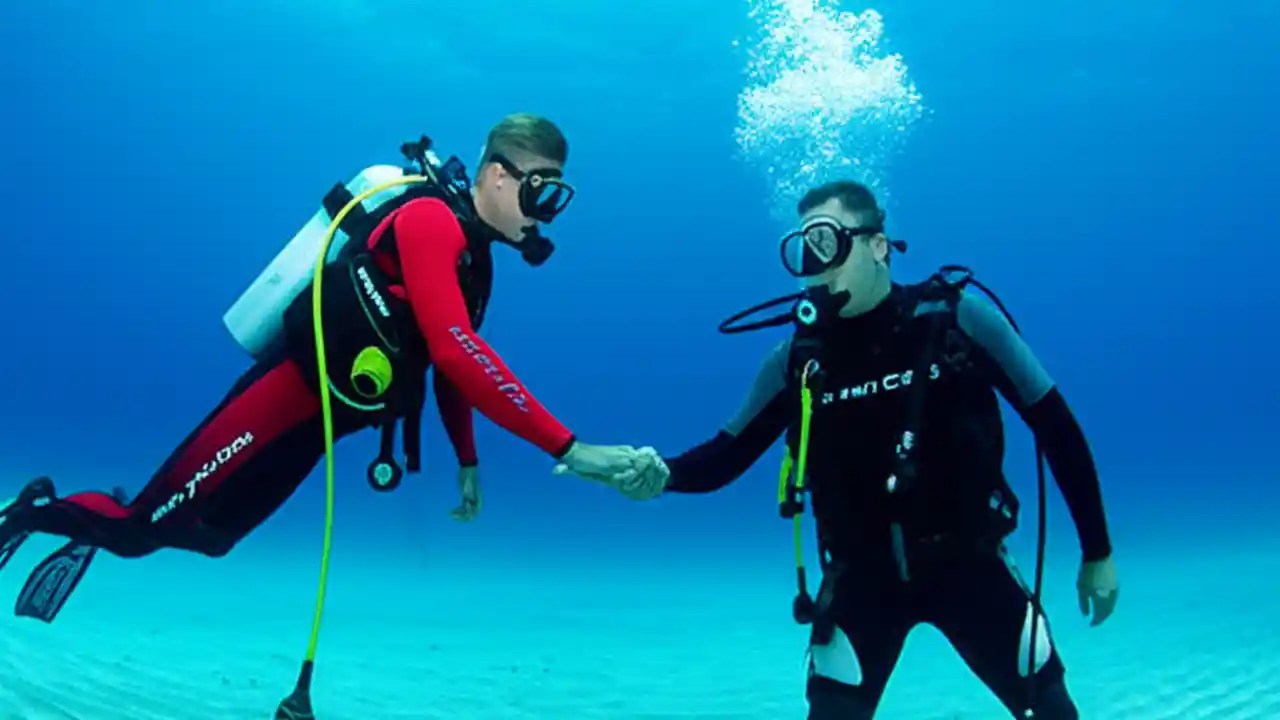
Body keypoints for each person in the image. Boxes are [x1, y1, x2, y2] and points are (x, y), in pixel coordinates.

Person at [0, 113, 648, 621]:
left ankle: (100, 509)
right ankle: (28, 511)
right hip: (285, 395)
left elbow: (447, 367)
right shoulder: (428, 221)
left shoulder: (476, 266)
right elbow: (455, 348)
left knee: (214, 538)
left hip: (325, 424)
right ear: (499, 175)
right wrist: (572, 448)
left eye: (556, 197)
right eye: (542, 191)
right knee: (141, 532)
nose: (545, 212)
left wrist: (468, 459)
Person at [572, 180, 1119, 719]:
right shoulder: (798, 361)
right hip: (861, 583)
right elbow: (724, 457)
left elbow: (1055, 425)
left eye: (827, 243)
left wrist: (1097, 551)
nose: (815, 265)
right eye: (802, 251)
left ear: (878, 245)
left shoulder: (958, 321)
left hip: (971, 564)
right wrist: (655, 471)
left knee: (1051, 712)